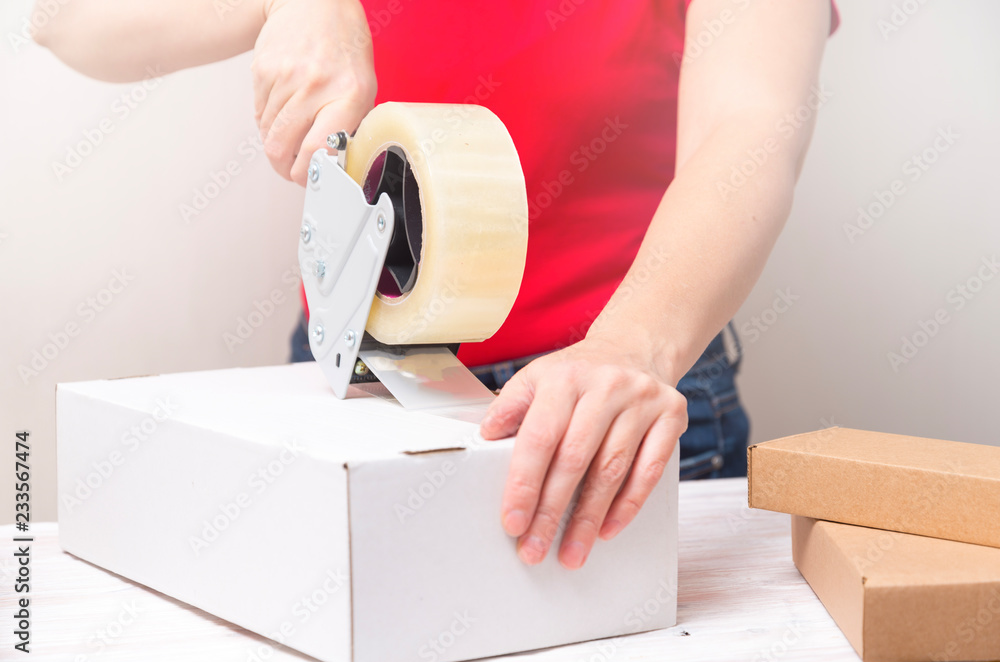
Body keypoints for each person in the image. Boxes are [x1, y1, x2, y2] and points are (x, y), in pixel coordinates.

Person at [35, 0, 835, 570]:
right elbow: (60, 17)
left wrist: (631, 346)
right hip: (358, 378)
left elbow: (751, 128)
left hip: (608, 402)